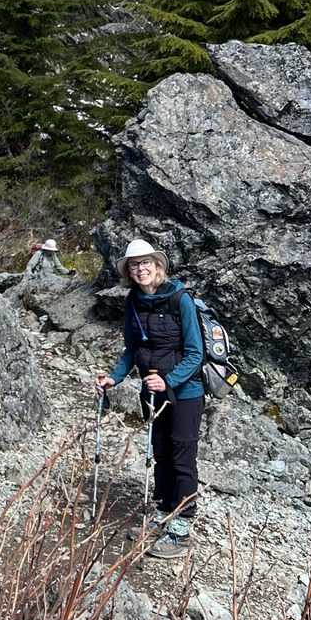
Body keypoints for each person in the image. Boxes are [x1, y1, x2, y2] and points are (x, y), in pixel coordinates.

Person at [95, 238, 203, 561]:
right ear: (129, 272)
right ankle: (166, 512)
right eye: (134, 265)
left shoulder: (181, 300)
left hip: (185, 393)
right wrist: (114, 377)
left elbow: (196, 353)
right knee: (160, 453)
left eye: (146, 263)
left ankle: (182, 527)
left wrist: (167, 379)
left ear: (157, 266)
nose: (140, 269)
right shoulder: (133, 302)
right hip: (152, 394)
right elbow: (132, 349)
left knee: (182, 454)